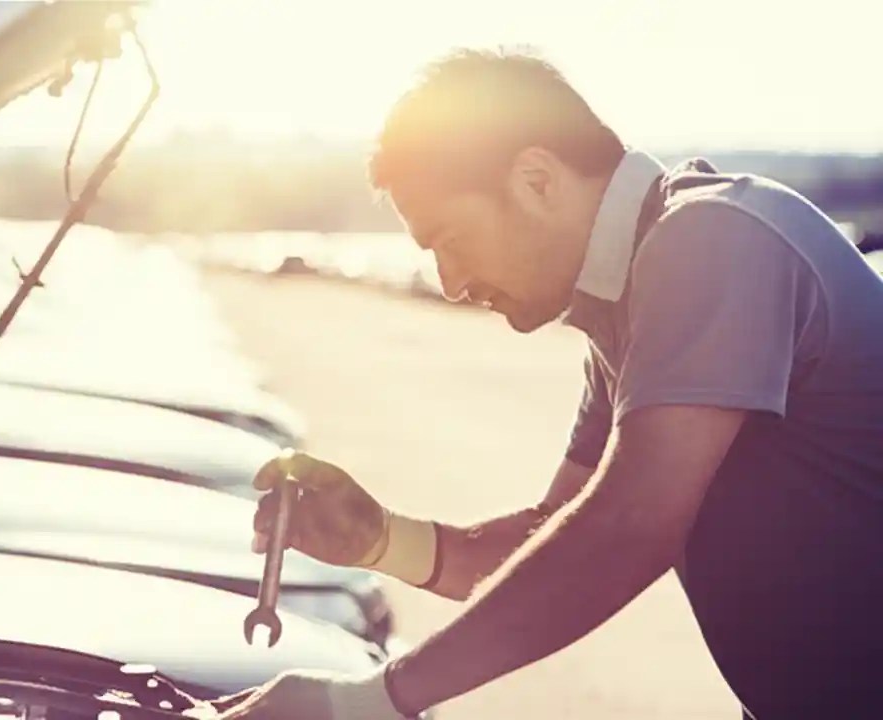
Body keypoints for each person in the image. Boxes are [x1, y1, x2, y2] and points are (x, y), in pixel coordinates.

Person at [215, 48, 883, 720]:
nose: (450, 283)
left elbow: (627, 529)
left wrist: (367, 704)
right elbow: (555, 538)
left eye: (450, 239)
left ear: (537, 180)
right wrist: (382, 539)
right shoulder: (628, 306)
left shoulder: (714, 239)